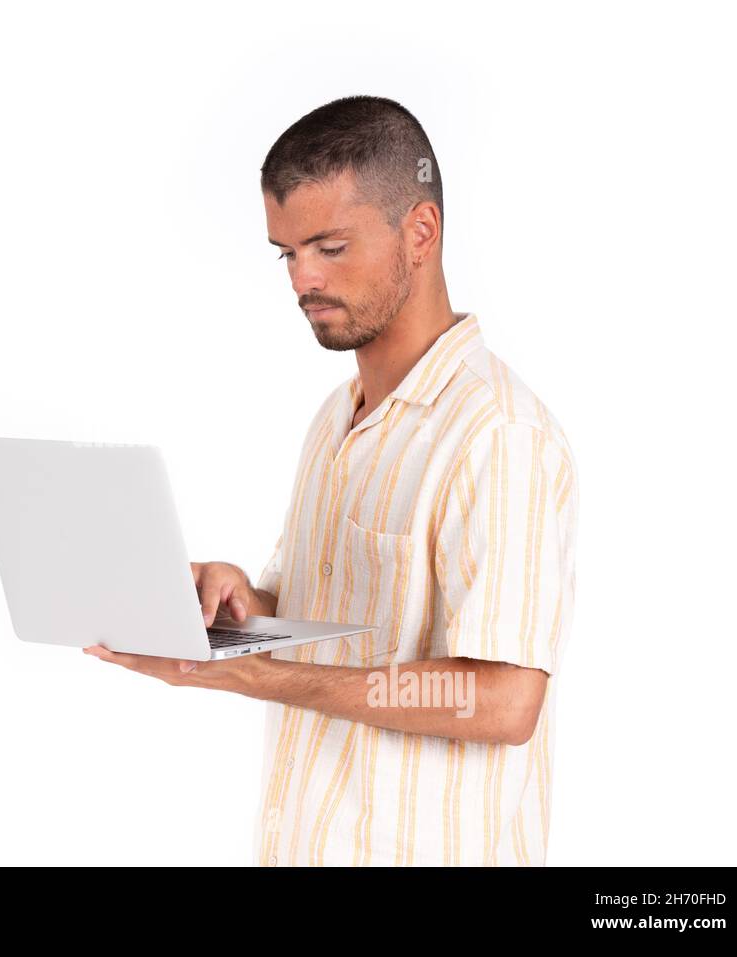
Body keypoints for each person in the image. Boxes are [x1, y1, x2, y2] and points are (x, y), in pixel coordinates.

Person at [83, 95, 579, 867]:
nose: (302, 281)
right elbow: (311, 614)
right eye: (287, 253)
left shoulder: (498, 435)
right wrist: (238, 606)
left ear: (421, 232)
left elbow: (506, 699)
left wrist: (262, 677)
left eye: (330, 247)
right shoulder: (336, 418)